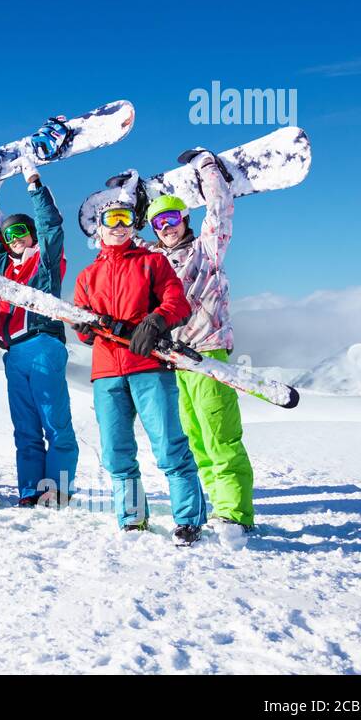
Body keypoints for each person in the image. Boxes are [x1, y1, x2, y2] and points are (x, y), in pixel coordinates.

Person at [72, 198, 208, 546]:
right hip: (106, 373)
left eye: (125, 218)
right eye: (111, 219)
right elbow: (81, 323)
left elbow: (177, 301)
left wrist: (157, 320)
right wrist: (84, 328)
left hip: (148, 367)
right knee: (117, 452)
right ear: (98, 227)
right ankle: (132, 518)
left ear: (134, 225)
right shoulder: (87, 276)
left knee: (168, 446)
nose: (118, 226)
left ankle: (189, 519)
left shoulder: (152, 262)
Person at [144, 151, 255, 537]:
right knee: (194, 439)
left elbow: (221, 210)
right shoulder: (154, 261)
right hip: (172, 361)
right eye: (159, 223)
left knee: (220, 434)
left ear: (184, 218)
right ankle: (216, 504)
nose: (167, 227)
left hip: (207, 352)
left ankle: (235, 513)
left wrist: (207, 168)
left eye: (172, 219)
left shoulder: (205, 249)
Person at [0, 167, 79, 507]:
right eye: (10, 236)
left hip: (43, 343)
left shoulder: (45, 260)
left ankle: (59, 488)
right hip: (14, 354)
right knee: (25, 429)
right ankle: (31, 490)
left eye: (21, 232)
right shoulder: (7, 270)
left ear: (32, 233)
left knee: (55, 423)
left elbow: (52, 226)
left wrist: (34, 185)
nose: (14, 239)